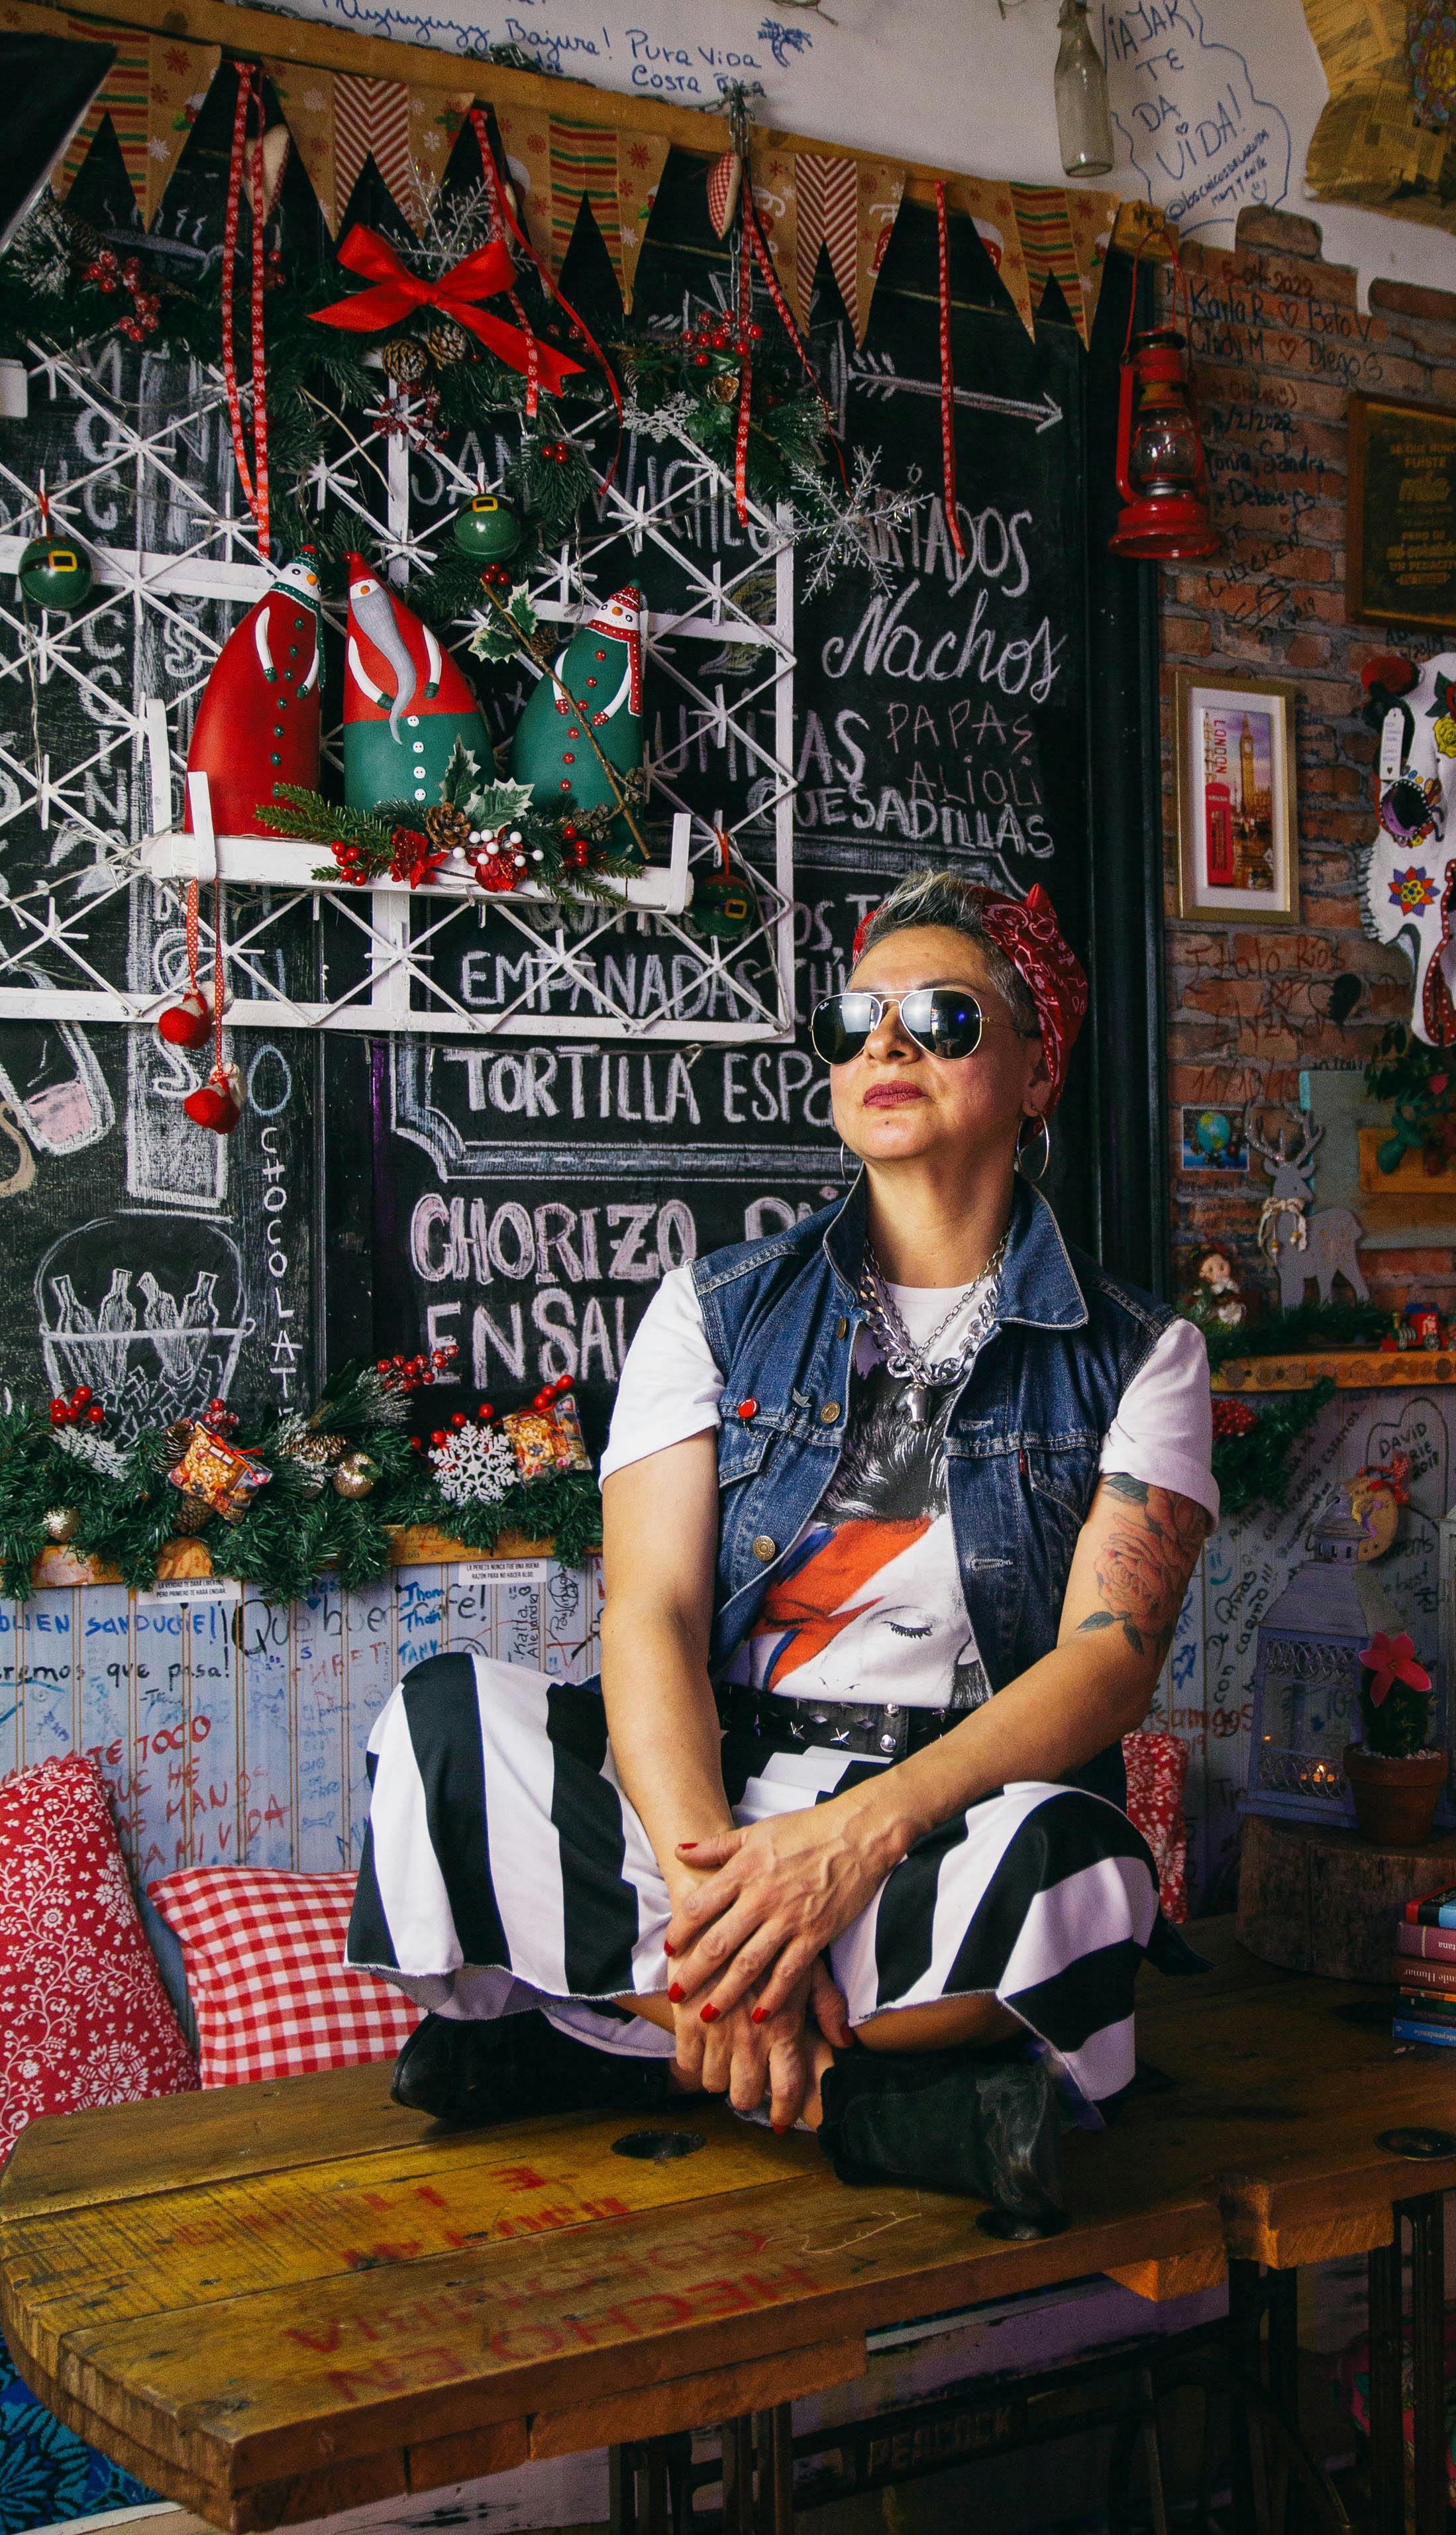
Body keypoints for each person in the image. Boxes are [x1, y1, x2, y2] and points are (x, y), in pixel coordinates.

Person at [347, 870, 1216, 2227]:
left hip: (933, 1820)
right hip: (709, 1805)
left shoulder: (1138, 1351)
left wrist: (854, 1840)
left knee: (1081, 1869)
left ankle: (614, 2038)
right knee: (440, 1727)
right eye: (852, 1015)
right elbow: (647, 1613)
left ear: (1037, 1068)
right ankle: (865, 2099)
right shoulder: (711, 1309)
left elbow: (1107, 1664)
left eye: (938, 1014)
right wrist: (721, 1899)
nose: (883, 1043)